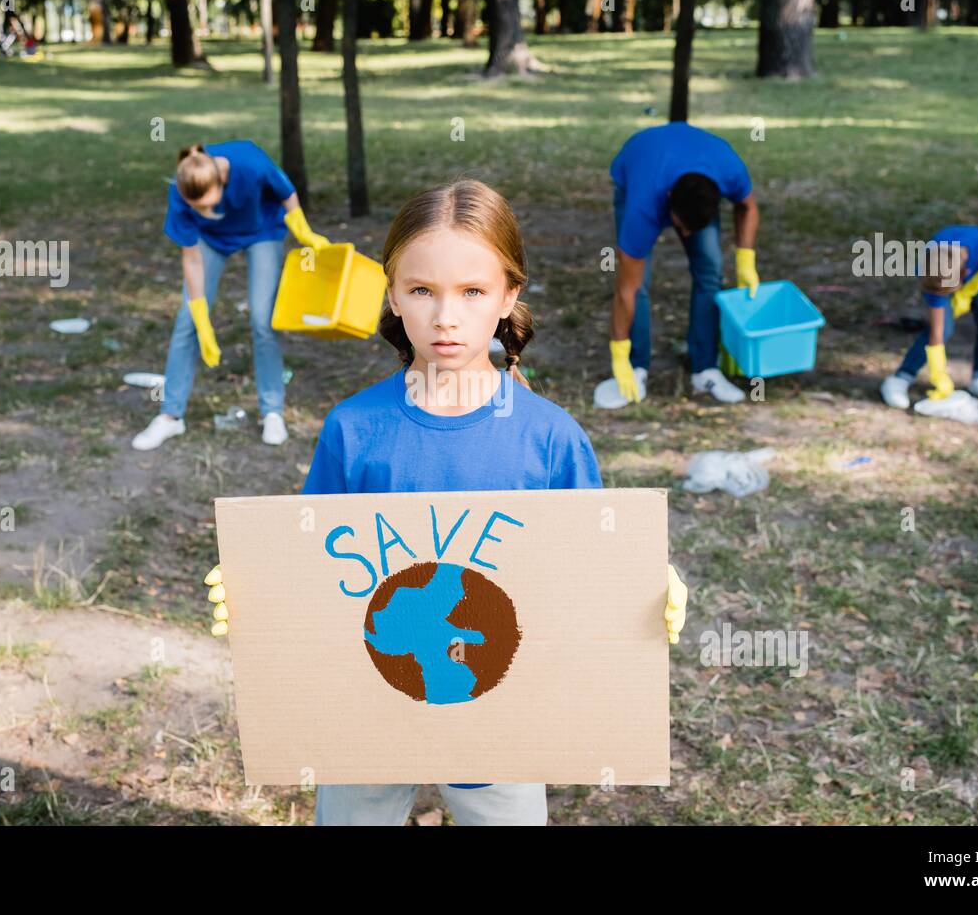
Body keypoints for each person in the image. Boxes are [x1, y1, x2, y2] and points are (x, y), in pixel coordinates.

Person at [201, 179, 690, 825]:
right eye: (422, 290)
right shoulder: (354, 428)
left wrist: (641, 589)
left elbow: (588, 564)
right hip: (367, 701)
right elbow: (314, 564)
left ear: (509, 295)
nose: (446, 316)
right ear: (393, 293)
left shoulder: (549, 438)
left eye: (473, 291)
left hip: (503, 705)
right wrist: (262, 593)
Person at [133, 141, 329, 451]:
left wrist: (302, 231)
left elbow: (286, 191)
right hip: (211, 242)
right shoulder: (182, 190)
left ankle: (272, 412)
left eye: (208, 206)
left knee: (263, 322)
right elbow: (191, 260)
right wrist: (202, 317)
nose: (205, 212)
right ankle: (171, 416)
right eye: (198, 208)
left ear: (223, 181)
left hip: (261, 231)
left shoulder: (251, 163)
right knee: (187, 322)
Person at [596, 121, 762, 408]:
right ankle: (636, 367)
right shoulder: (643, 207)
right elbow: (627, 291)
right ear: (669, 202)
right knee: (639, 284)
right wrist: (618, 351)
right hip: (639, 161)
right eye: (680, 226)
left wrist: (746, 259)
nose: (683, 235)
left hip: (698, 160)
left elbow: (747, 206)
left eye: (691, 229)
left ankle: (705, 369)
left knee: (710, 274)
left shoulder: (730, 172)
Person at [879, 225, 978, 410]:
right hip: (946, 272)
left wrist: (970, 290)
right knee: (942, 328)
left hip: (977, 275)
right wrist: (939, 375)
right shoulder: (933, 273)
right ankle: (901, 378)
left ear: (965, 274)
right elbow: (937, 333)